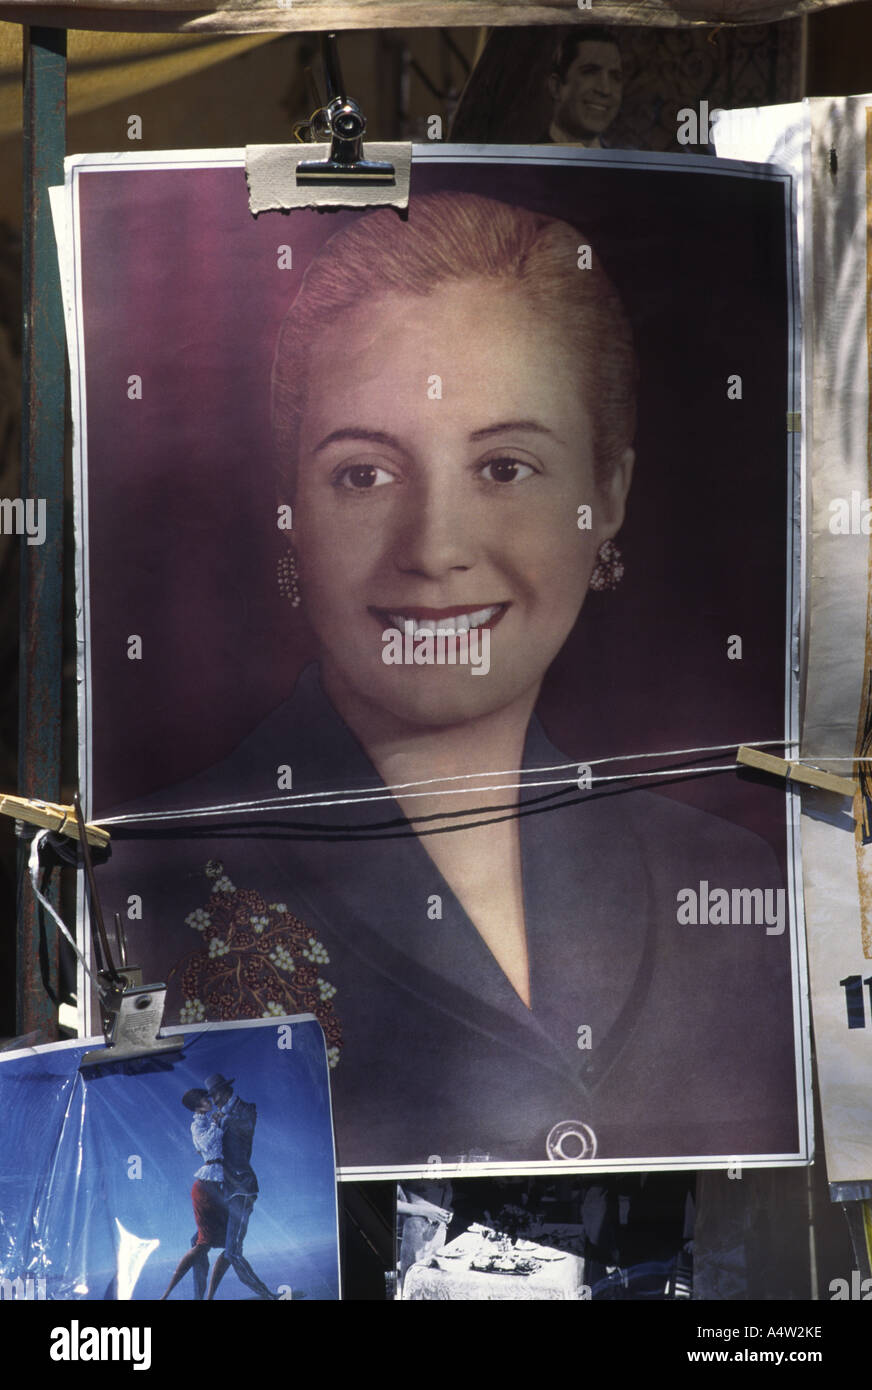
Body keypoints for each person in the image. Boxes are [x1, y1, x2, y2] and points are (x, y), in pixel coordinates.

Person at [103, 190, 798, 1172]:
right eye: (363, 474)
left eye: (505, 467)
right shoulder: (132, 890)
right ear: (288, 511)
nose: (433, 549)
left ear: (607, 496)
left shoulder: (737, 886)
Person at [200, 1073, 276, 1300]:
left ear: (223, 1091)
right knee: (200, 1242)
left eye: (214, 1096)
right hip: (227, 1191)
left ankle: (267, 1297)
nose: (213, 1101)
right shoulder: (220, 1117)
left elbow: (246, 1127)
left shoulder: (246, 1109)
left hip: (242, 1187)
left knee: (232, 1252)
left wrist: (223, 1120)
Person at [160, 1088, 229, 1300]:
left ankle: (204, 1297)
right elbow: (204, 1145)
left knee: (228, 1244)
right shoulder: (198, 1124)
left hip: (217, 1184)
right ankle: (169, 1295)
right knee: (205, 1244)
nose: (209, 1101)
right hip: (207, 1186)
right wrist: (217, 1124)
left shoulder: (208, 1121)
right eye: (205, 1099)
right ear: (198, 1104)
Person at [545, 28, 623, 147]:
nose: (605, 90)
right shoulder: (525, 160)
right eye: (590, 72)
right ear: (556, 87)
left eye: (615, 77)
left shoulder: (622, 162)